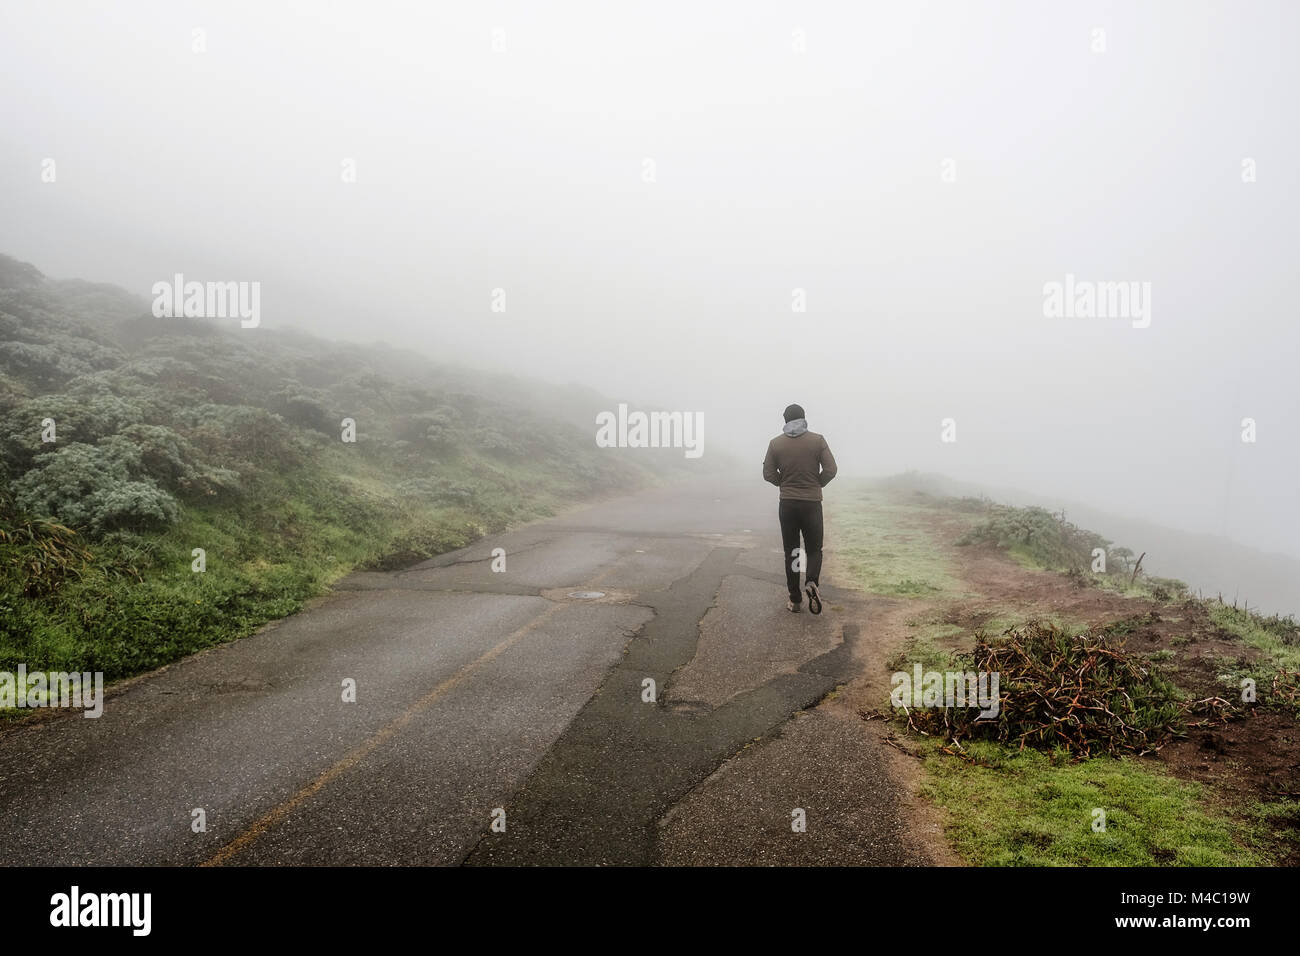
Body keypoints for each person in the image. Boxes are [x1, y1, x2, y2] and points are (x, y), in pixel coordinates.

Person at [762, 404, 837, 614]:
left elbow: (768, 473)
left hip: (787, 504)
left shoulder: (776, 444)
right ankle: (811, 582)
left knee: (793, 551)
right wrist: (818, 484)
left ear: (785, 420)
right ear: (804, 419)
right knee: (814, 549)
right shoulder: (817, 440)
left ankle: (795, 600)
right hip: (812, 504)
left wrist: (784, 483)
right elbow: (831, 469)